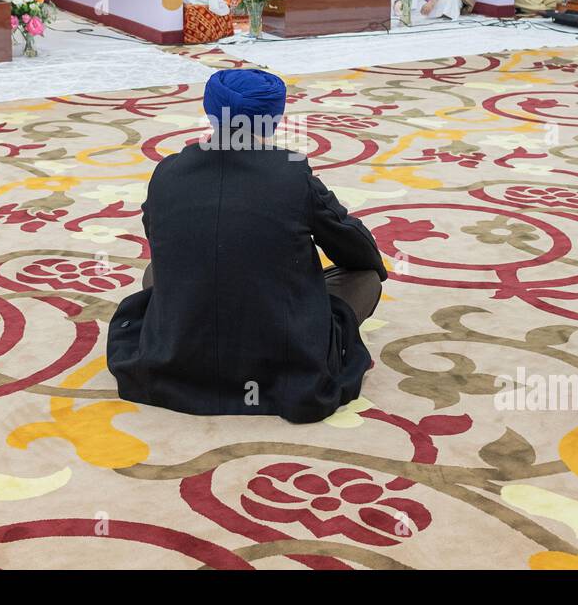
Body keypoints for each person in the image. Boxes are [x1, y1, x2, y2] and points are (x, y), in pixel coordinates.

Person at [107, 69, 387, 423]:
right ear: (274, 120)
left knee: (155, 271)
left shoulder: (167, 171)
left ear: (210, 111)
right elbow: (356, 251)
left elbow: (159, 240)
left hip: (180, 352)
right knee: (365, 278)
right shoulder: (292, 173)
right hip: (280, 357)